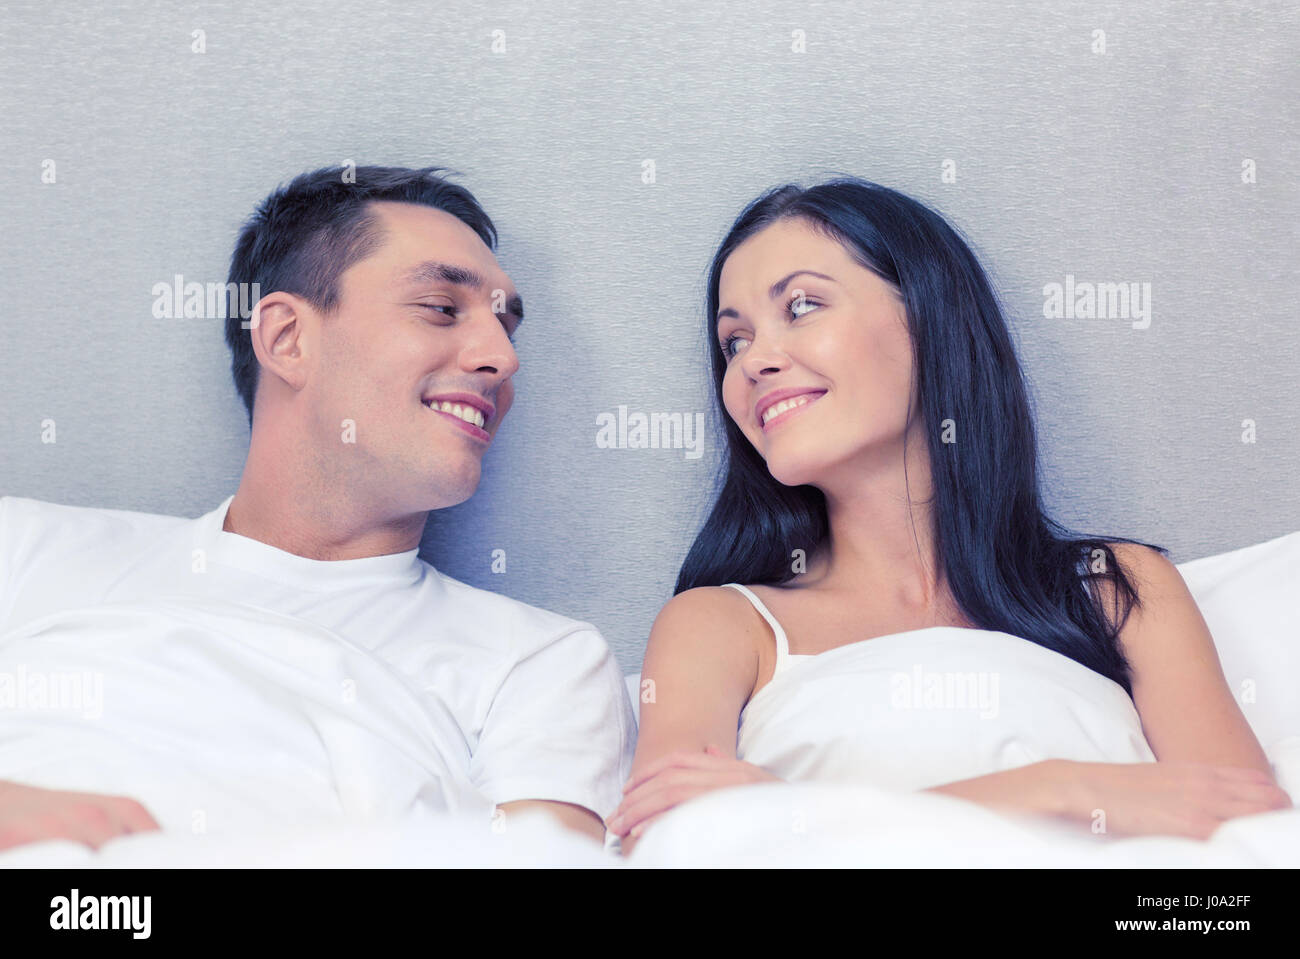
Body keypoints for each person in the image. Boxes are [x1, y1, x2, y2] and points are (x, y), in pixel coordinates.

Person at [609, 177, 1290, 855]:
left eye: (803, 304)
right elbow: (679, 844)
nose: (754, 360)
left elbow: (1253, 843)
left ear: (931, 318)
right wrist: (1053, 790)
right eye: (733, 342)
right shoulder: (720, 625)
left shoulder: (1116, 587)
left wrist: (800, 812)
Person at [0, 165, 634, 853]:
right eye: (441, 307)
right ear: (285, 339)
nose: (502, 357)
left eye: (507, 325)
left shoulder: (538, 663)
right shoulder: (26, 549)